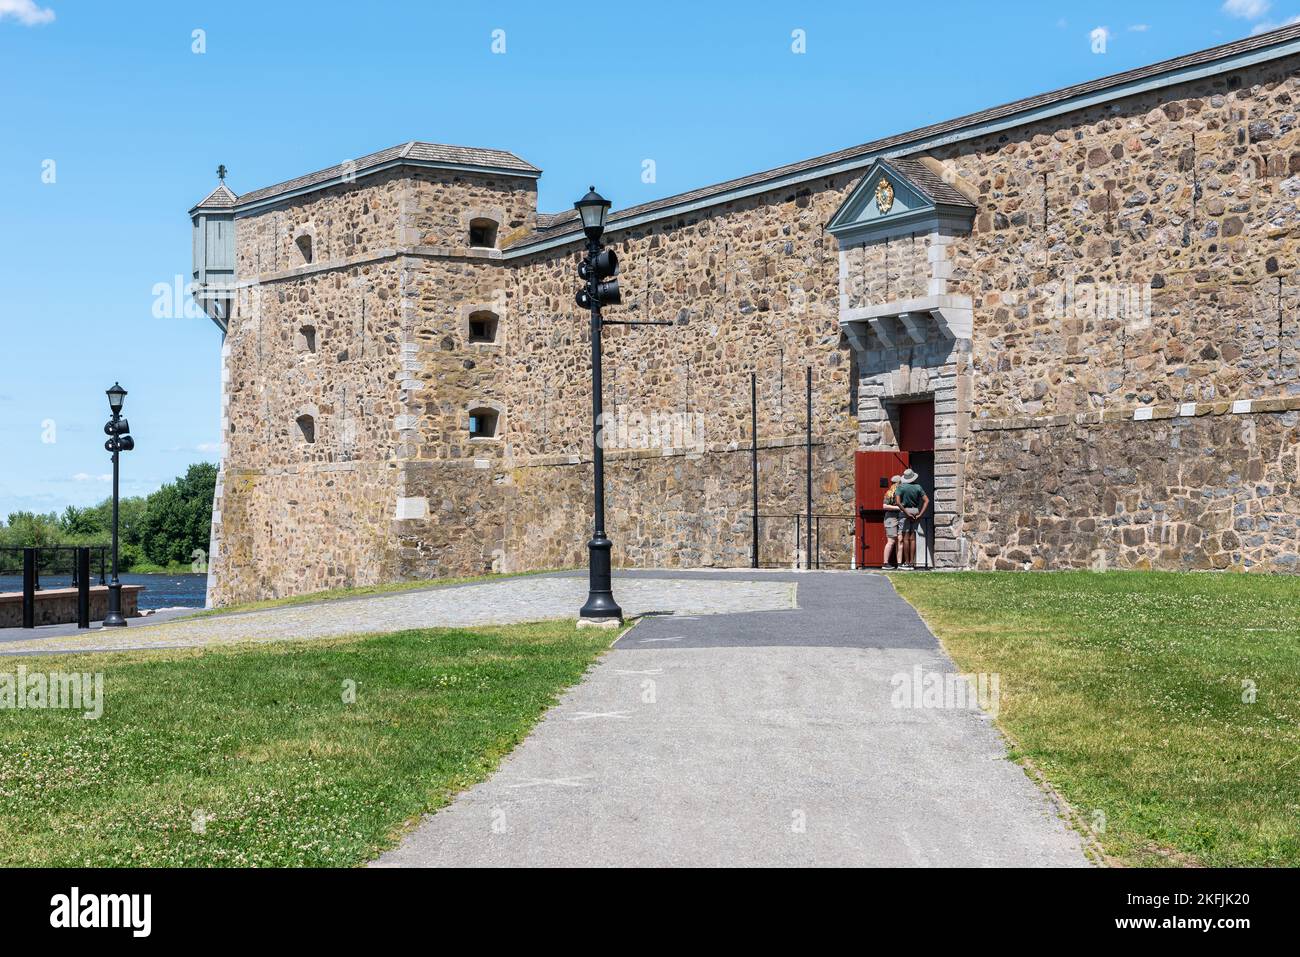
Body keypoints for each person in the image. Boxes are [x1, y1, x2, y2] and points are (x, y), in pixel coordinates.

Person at [896, 468, 929, 568]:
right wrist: (920, 514)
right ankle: (912, 562)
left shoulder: (900, 487)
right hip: (915, 511)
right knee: (913, 538)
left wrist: (906, 513)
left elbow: (897, 502)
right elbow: (927, 501)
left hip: (904, 511)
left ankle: (907, 562)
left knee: (905, 538)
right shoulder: (918, 487)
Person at [882, 474, 903, 568]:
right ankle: (885, 563)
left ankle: (899, 563)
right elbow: (884, 506)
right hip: (890, 518)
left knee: (900, 540)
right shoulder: (889, 493)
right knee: (891, 541)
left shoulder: (901, 492)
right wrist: (898, 508)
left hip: (900, 518)